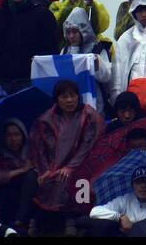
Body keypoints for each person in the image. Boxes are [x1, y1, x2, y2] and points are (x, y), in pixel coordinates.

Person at [27, 80, 103, 234]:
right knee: (44, 179)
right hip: (53, 166)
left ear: (78, 97)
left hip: (83, 164)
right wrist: (45, 170)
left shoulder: (88, 116)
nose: (69, 100)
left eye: (72, 96)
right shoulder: (46, 119)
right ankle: (33, 220)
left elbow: (88, 145)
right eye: (64, 97)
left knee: (70, 179)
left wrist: (70, 167)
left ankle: (72, 219)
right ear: (57, 99)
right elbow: (40, 148)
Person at [85, 164, 146, 236]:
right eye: (138, 182)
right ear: (132, 185)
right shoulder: (125, 199)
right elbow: (94, 212)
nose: (143, 186)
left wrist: (134, 229)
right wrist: (120, 218)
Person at [0, 118, 34, 225]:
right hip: (8, 195)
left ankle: (23, 219)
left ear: (23, 136)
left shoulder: (32, 152)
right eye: (9, 135)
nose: (13, 139)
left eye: (17, 134)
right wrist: (21, 170)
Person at [62, 6, 112, 96]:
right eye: (68, 32)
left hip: (94, 99)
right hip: (71, 99)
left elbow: (106, 77)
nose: (71, 36)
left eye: (75, 32)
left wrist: (97, 65)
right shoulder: (64, 51)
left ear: (84, 30)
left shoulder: (97, 49)